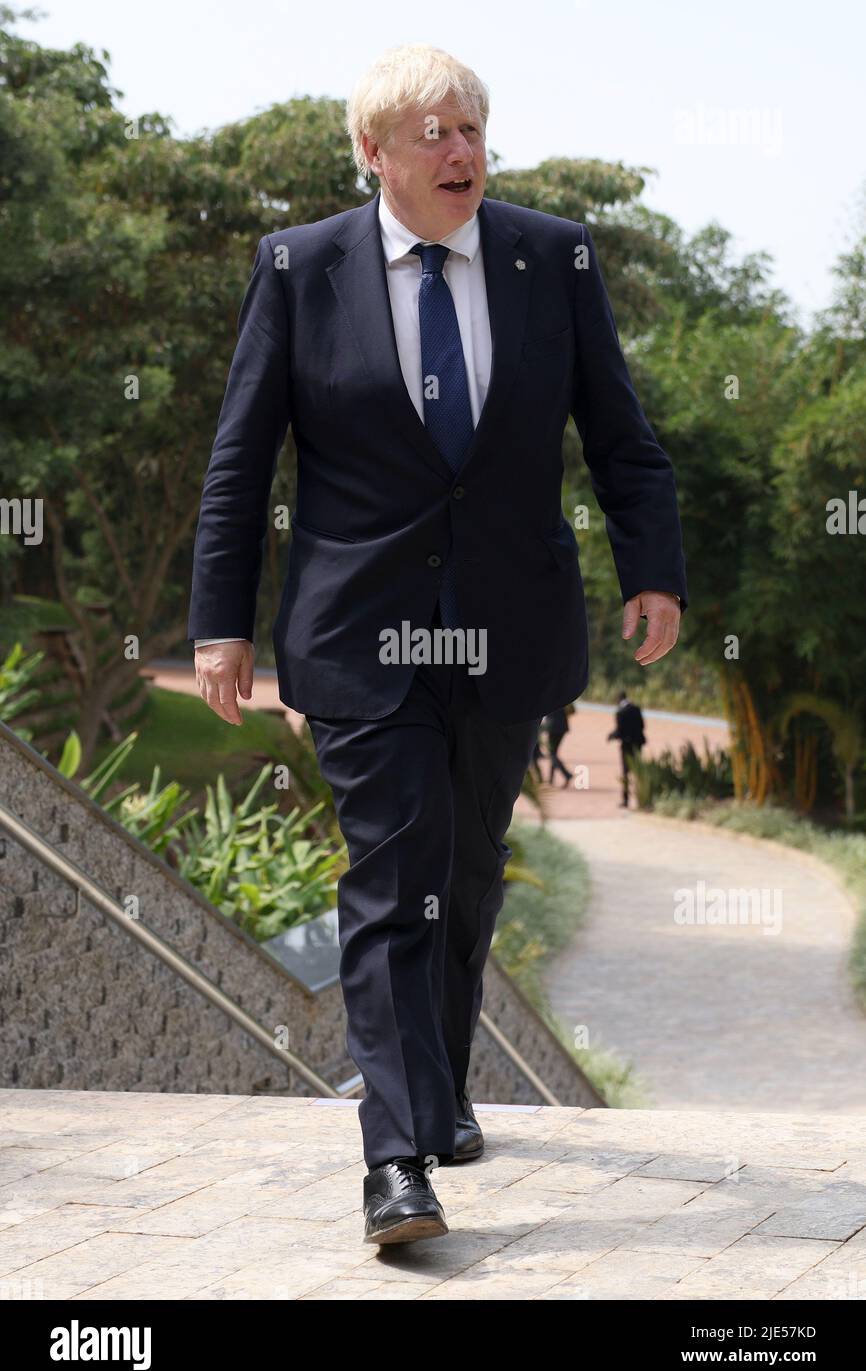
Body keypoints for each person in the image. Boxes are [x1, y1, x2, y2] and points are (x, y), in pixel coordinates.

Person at [187, 44, 687, 1245]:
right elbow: (240, 458)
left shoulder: (549, 257)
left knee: (462, 872)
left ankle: (444, 1091)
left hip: (504, 623)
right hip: (358, 631)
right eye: (433, 135)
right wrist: (218, 619)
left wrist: (653, 569)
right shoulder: (299, 268)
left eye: (471, 129)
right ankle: (396, 1157)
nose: (461, 152)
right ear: (374, 154)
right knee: (391, 868)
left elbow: (617, 429)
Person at [607, 691, 646, 807]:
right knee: (638, 771)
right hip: (638, 744)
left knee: (625, 773)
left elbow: (620, 731)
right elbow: (642, 726)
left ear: (618, 699)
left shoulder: (620, 713)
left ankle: (626, 800)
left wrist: (611, 736)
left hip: (627, 746)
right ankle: (642, 798)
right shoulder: (636, 709)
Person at [541, 707, 572, 786]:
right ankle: (551, 779)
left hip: (552, 727)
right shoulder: (562, 695)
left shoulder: (547, 696)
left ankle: (567, 774)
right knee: (553, 753)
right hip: (562, 726)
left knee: (552, 754)